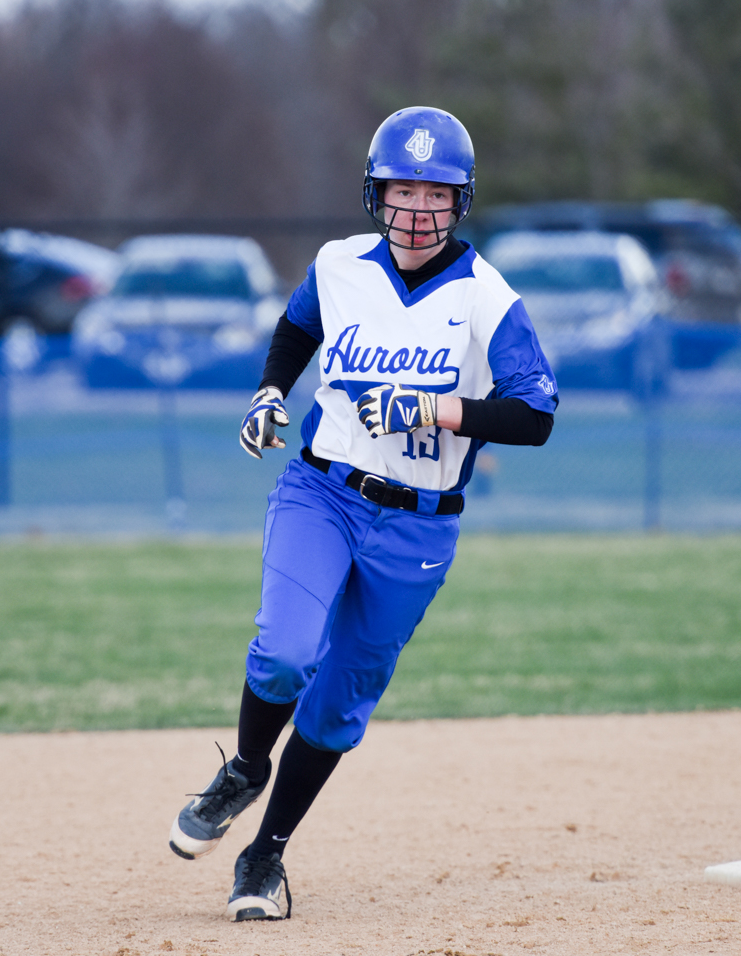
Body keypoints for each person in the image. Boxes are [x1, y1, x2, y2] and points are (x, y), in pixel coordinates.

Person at [167, 106, 558, 920]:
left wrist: (434, 410)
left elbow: (535, 414)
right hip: (322, 491)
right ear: (375, 194)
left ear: (462, 202)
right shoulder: (339, 265)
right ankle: (244, 766)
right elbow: (297, 326)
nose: (417, 212)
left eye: (435, 194)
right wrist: (271, 390)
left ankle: (264, 858)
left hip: (418, 525)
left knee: (340, 705)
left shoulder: (487, 297)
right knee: (283, 653)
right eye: (401, 191)